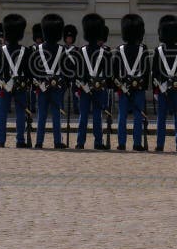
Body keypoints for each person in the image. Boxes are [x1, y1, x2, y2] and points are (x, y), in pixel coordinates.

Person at [0, 14, 32, 148]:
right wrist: (28, 83)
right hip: (20, 86)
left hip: (4, 86)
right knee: (20, 114)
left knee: (2, 114)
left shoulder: (1, 51)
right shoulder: (25, 51)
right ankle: (20, 140)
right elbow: (28, 71)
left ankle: (1, 140)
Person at [72, 13, 109, 150]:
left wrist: (77, 88)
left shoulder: (81, 51)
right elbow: (107, 73)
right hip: (98, 88)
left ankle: (80, 143)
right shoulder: (104, 52)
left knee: (83, 116)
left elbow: (77, 73)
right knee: (97, 116)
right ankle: (98, 142)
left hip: (84, 88)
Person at [113, 14, 149, 151]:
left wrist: (118, 87)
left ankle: (121, 143)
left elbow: (115, 72)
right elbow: (146, 71)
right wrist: (145, 86)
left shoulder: (119, 49)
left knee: (122, 116)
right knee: (138, 115)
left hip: (123, 87)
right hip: (139, 87)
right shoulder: (143, 49)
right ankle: (137, 143)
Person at [31, 14, 67, 149]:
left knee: (42, 115)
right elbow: (66, 70)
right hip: (56, 87)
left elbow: (33, 69)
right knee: (56, 115)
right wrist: (62, 84)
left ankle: (39, 142)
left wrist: (39, 82)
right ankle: (57, 141)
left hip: (42, 87)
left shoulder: (38, 49)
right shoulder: (62, 49)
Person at [152, 15, 177, 152]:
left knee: (161, 118)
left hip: (162, 88)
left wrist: (156, 88)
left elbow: (154, 73)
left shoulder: (158, 51)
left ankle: (160, 145)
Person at [63, 24, 79, 116]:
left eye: (70, 38)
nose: (69, 39)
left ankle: (76, 108)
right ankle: (61, 108)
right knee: (61, 92)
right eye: (67, 38)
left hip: (73, 74)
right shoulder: (61, 49)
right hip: (64, 74)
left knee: (75, 93)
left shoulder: (76, 49)